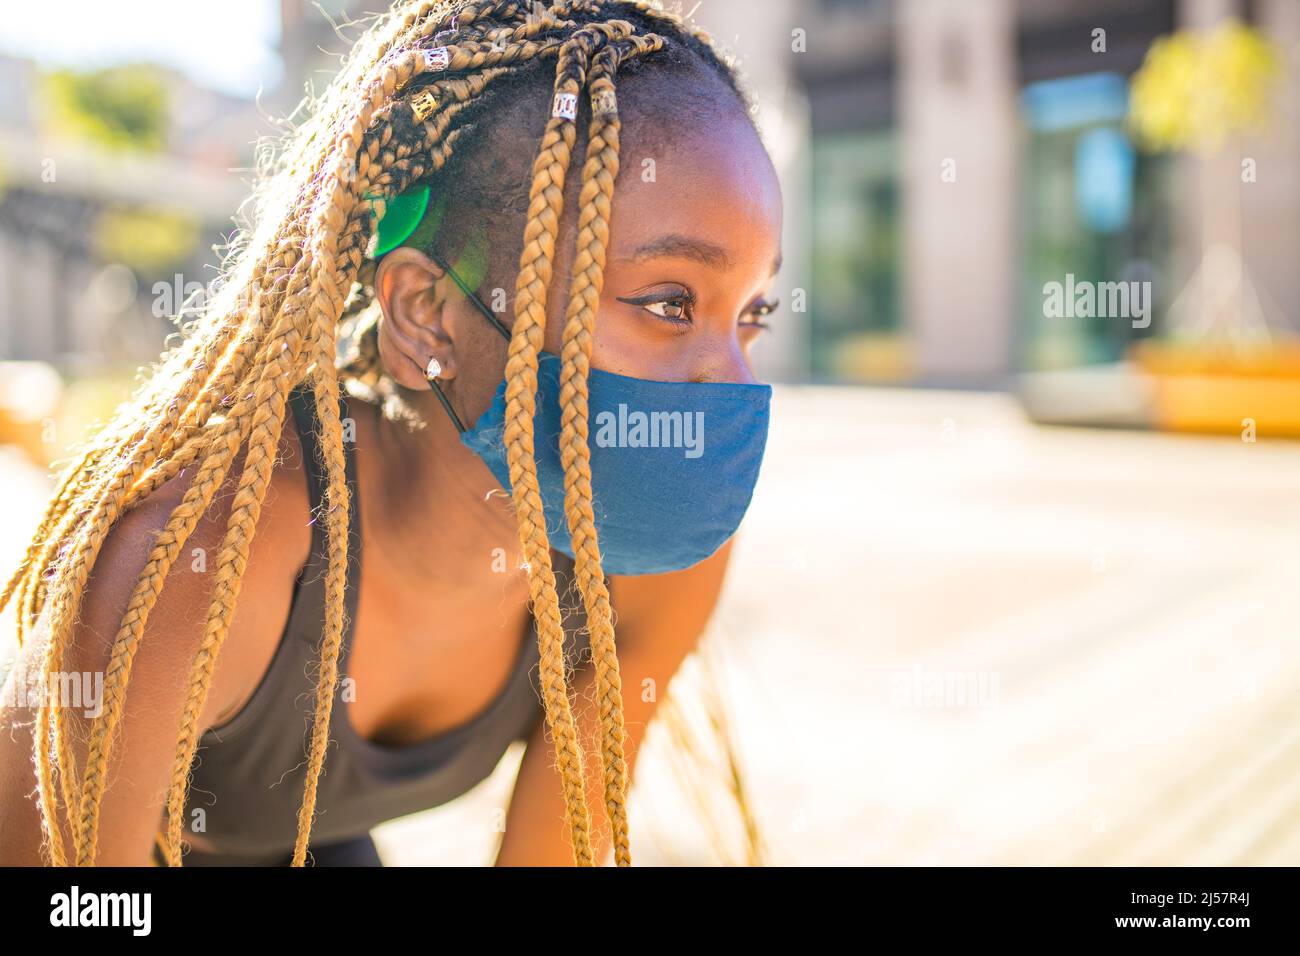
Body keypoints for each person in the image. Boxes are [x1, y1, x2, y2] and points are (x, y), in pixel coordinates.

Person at [0, 0, 782, 867]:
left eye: (753, 315)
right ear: (427, 316)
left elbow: (555, 849)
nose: (733, 377)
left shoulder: (644, 545)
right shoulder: (203, 556)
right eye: (671, 303)